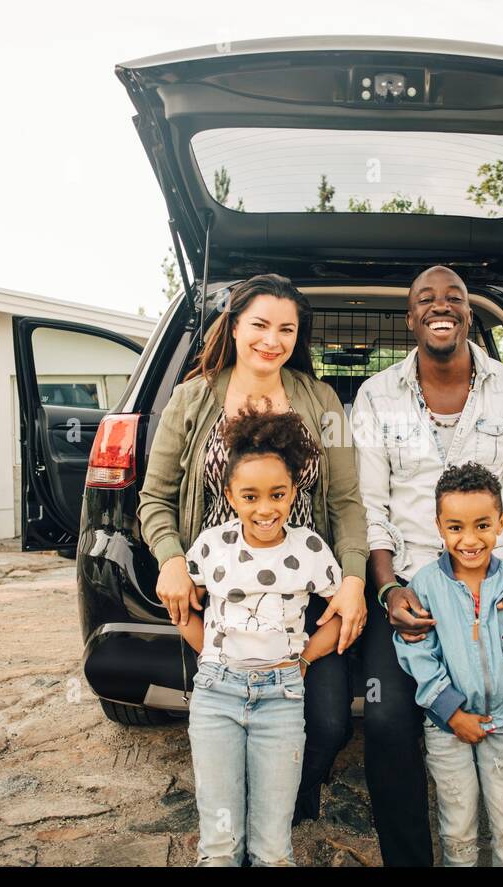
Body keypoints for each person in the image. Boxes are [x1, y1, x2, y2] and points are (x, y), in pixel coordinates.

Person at [352, 264, 503, 866]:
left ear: (470, 314)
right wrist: (387, 592)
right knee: (385, 721)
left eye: (454, 298)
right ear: (410, 319)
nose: (442, 306)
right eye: (426, 299)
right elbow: (370, 511)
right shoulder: (376, 396)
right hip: (411, 583)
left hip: (499, 578)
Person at [137, 273, 368, 824]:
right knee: (226, 718)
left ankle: (284, 807)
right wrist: (172, 558)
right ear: (235, 325)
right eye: (260, 324)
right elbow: (154, 497)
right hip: (220, 592)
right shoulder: (192, 398)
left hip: (304, 588)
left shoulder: (321, 399)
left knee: (330, 722)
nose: (272, 338)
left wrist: (355, 577)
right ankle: (232, 818)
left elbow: (346, 501)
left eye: (286, 329)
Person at [176, 406, 344, 865]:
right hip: (216, 697)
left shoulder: (310, 549)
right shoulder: (211, 546)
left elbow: (340, 614)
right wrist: (211, 654)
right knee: (220, 845)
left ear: (293, 491)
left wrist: (304, 660)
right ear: (230, 494)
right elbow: (183, 608)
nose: (265, 508)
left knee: (272, 849)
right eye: (250, 496)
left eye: (277, 494)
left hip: (281, 700)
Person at [394, 462, 503, 867]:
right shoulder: (426, 585)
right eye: (455, 527)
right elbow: (417, 653)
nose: (469, 540)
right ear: (438, 526)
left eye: (482, 525)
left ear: (502, 522)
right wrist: (451, 713)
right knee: (458, 830)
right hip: (448, 730)